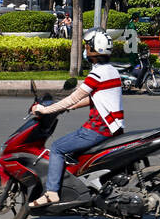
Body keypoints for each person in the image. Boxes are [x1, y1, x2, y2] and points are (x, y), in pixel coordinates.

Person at [27, 30, 123, 208]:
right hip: (112, 127)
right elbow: (95, 98)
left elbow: (74, 97)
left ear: (94, 51)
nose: (85, 50)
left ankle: (52, 193)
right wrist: (70, 107)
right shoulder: (112, 71)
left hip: (98, 128)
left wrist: (46, 110)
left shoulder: (97, 74)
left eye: (87, 47)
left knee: (57, 148)